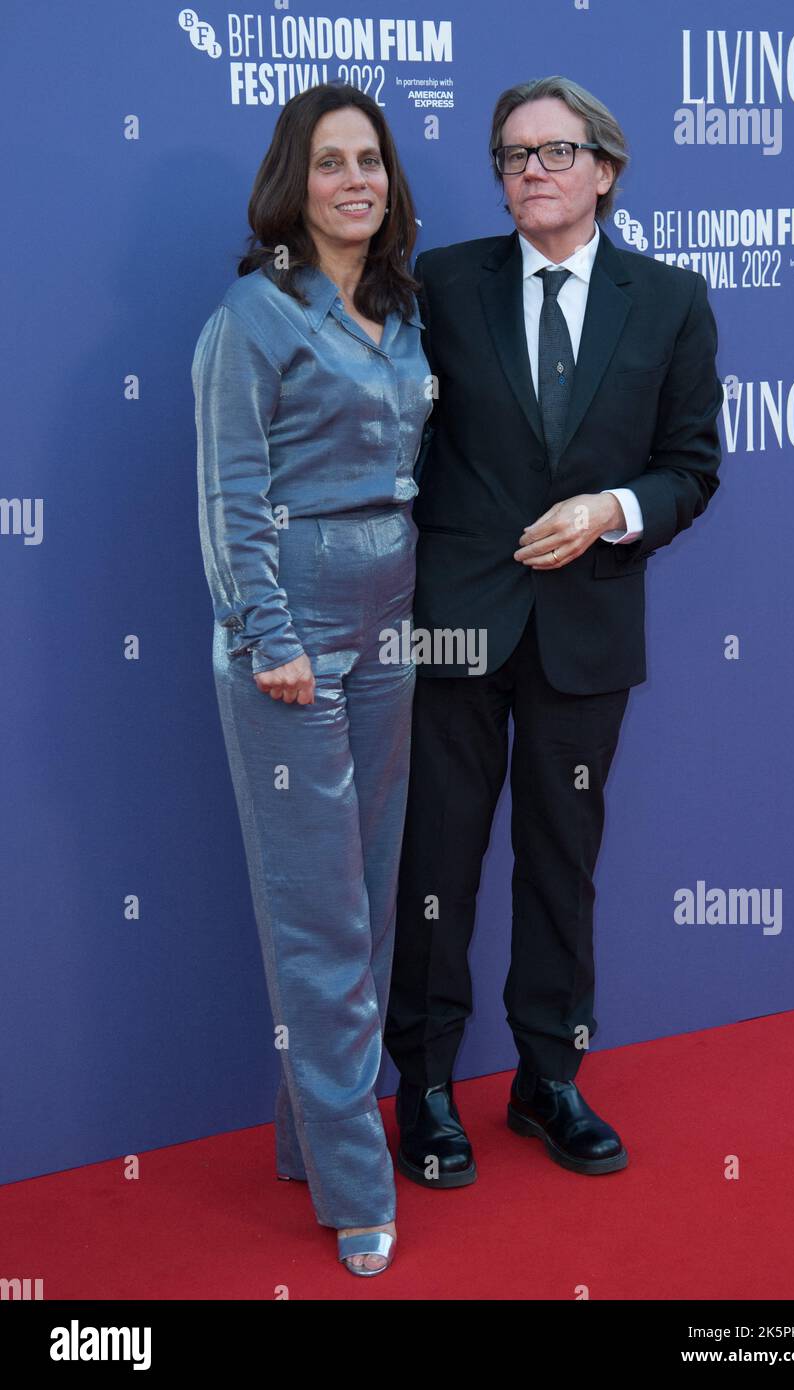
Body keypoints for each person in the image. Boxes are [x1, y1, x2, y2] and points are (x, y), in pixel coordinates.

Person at [384, 75, 724, 1185]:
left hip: (584, 628)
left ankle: (548, 1080)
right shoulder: (438, 282)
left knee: (560, 862)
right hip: (451, 626)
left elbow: (688, 469)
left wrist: (607, 511)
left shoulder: (669, 300)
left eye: (555, 150)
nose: (530, 168)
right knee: (436, 859)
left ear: (605, 170)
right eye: (511, 153)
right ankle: (425, 1088)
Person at [192, 82, 431, 1274]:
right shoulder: (254, 315)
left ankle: (306, 1135)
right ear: (294, 182)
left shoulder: (399, 309)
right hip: (291, 635)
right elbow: (230, 497)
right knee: (321, 918)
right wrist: (267, 633)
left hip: (392, 625)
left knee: (372, 897)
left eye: (371, 161)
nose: (355, 180)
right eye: (332, 161)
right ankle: (354, 1185)